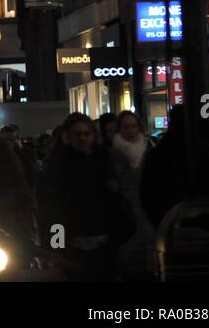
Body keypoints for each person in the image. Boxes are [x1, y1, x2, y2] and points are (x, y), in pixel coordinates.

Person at [37, 113, 129, 281]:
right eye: (77, 134)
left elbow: (115, 201)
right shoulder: (58, 167)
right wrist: (57, 246)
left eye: (86, 134)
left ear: (93, 136)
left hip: (104, 240)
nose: (82, 138)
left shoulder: (104, 161)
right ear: (67, 137)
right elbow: (52, 210)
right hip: (74, 243)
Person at [108, 110, 155, 280]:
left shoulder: (148, 152)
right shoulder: (112, 155)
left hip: (147, 215)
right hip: (125, 217)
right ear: (119, 129)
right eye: (126, 127)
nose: (130, 131)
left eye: (134, 126)